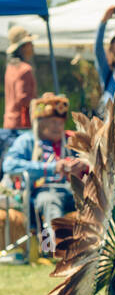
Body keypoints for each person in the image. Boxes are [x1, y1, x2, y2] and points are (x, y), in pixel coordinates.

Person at [2, 93, 88, 240]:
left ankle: (96, 248)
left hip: (73, 190)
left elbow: (92, 160)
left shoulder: (71, 141)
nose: (58, 126)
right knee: (50, 201)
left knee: (95, 200)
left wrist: (83, 165)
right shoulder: (27, 141)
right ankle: (61, 248)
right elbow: (9, 165)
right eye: (53, 122)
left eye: (61, 122)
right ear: (40, 123)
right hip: (42, 192)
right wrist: (52, 168)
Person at [4, 26, 38, 158]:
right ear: (23, 47)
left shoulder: (10, 68)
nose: (32, 46)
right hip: (23, 125)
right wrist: (42, 102)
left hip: (9, 122)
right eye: (30, 43)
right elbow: (23, 98)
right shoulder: (25, 69)